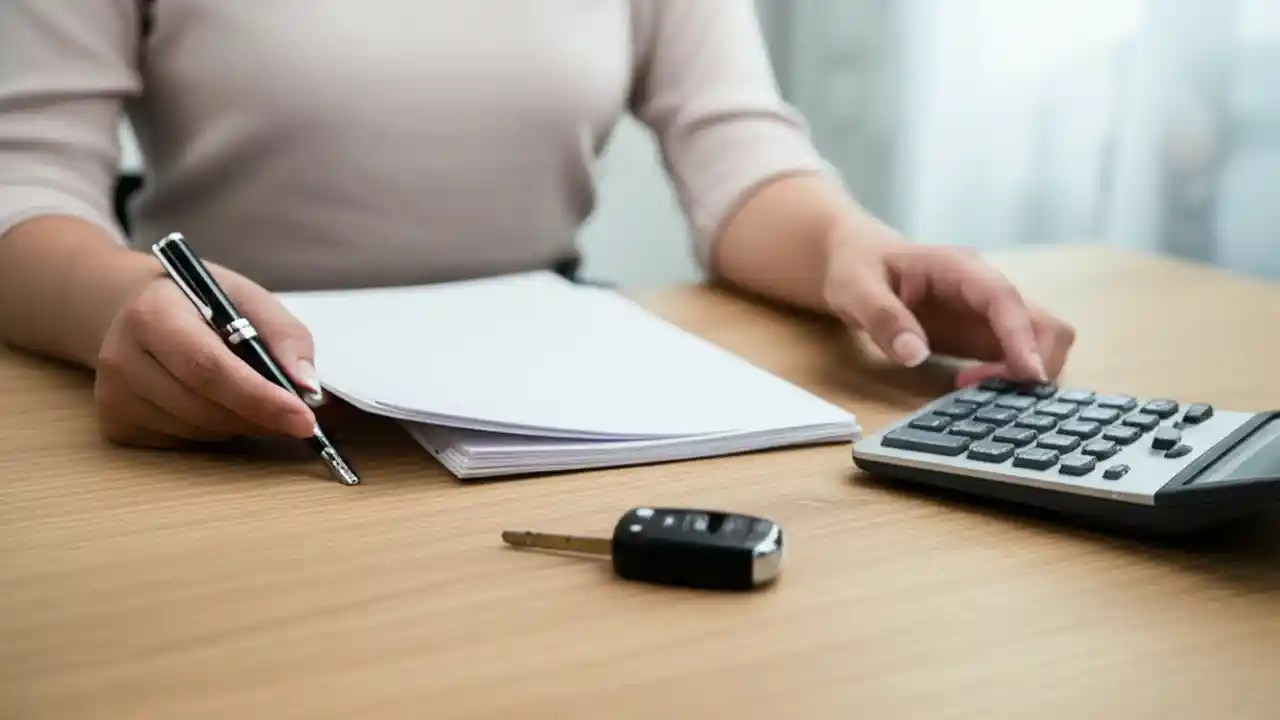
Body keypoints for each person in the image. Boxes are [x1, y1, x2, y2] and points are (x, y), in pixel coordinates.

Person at [0, 1, 1074, 448]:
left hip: (544, 409)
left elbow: (739, 157)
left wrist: (853, 246)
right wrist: (125, 304)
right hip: (223, 403)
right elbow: (26, 192)